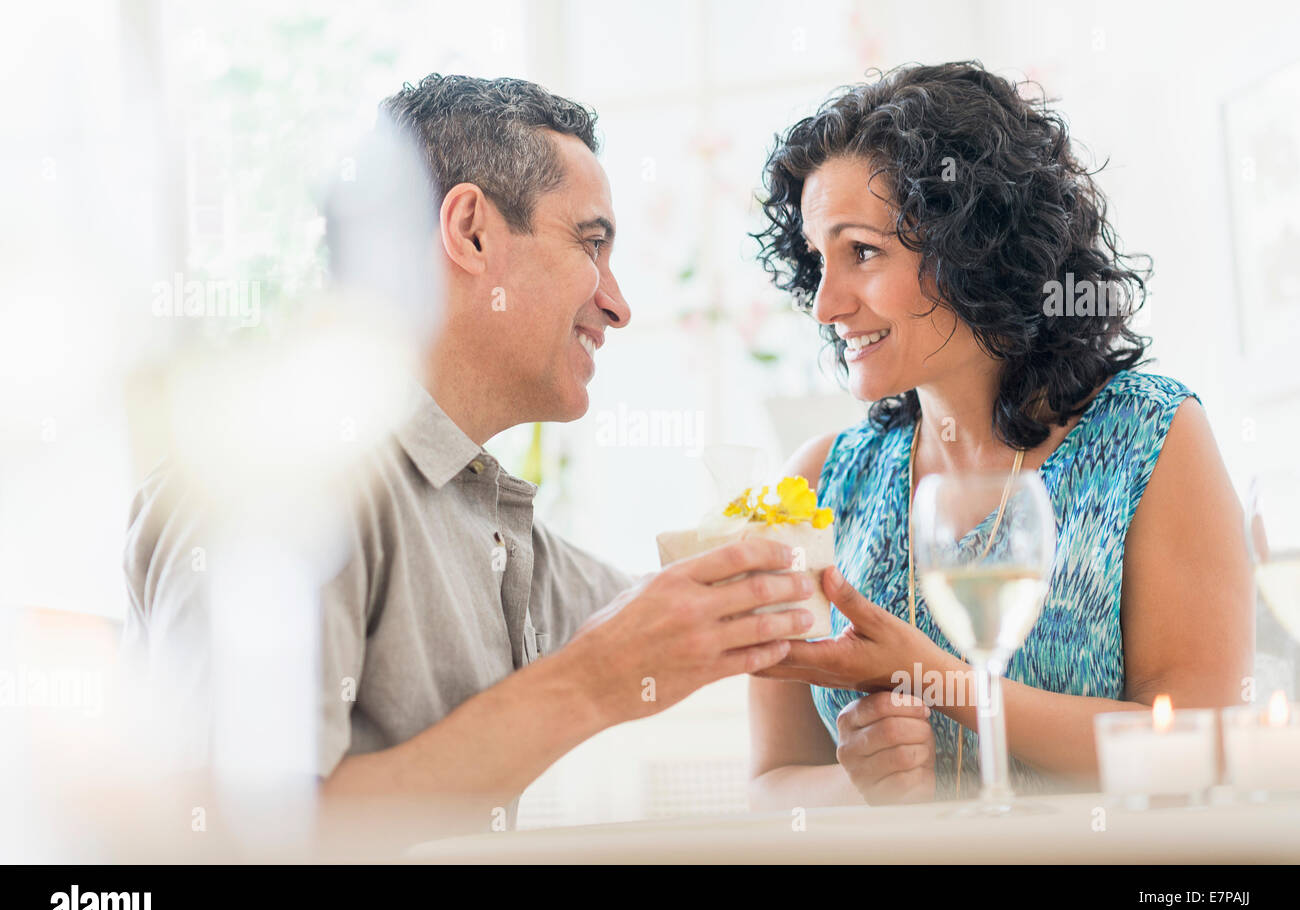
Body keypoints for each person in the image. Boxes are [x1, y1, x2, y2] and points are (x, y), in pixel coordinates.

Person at [123, 74, 807, 839]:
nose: (618, 303)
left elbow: (670, 616)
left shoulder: (477, 514)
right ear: (471, 230)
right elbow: (230, 840)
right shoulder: (264, 481)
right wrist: (585, 686)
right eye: (590, 242)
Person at [746, 62, 1254, 807]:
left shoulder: (1152, 438)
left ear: (973, 246)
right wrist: (866, 784)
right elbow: (768, 786)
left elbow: (1199, 751)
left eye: (861, 252)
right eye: (819, 261)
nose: (825, 304)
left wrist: (943, 682)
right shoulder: (820, 482)